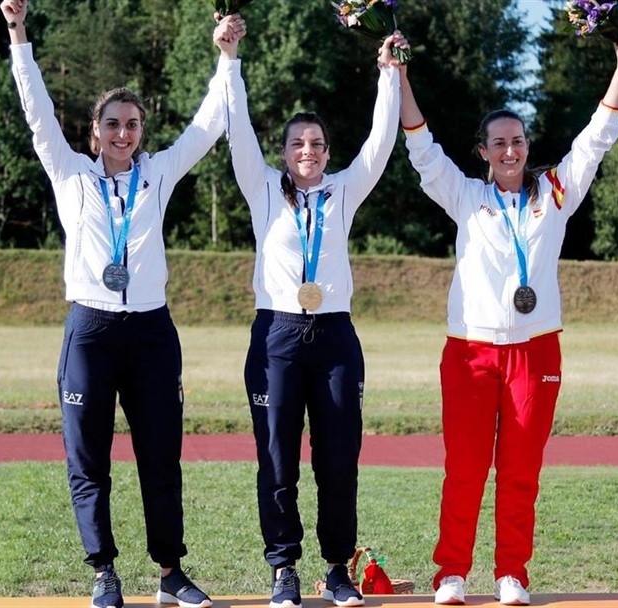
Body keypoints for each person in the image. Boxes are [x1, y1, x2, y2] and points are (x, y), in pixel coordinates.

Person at [0, 2, 245, 607]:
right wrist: (18, 33)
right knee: (89, 461)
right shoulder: (71, 175)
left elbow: (209, 124)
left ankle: (170, 574)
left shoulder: (157, 174)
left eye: (132, 124)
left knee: (161, 459)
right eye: (112, 124)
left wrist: (228, 56)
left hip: (152, 334)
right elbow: (36, 111)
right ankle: (103, 571)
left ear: (140, 132)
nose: (123, 133)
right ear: (95, 132)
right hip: (90, 330)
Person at [398, 37, 618, 606]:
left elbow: (596, 140)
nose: (510, 151)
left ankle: (512, 572)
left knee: (521, 470)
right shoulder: (465, 196)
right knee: (464, 470)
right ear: (482, 151)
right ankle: (452, 572)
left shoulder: (555, 192)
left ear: (528, 147)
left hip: (536, 351)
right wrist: (401, 75)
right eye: (499, 143)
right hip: (470, 352)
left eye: (518, 141)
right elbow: (422, 150)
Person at [220, 14, 410, 608]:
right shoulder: (261, 189)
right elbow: (238, 129)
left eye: (318, 143)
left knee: (337, 460)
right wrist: (230, 60)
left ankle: (336, 569)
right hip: (276, 334)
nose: (309, 151)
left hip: (333, 338)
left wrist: (388, 73)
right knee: (277, 459)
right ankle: (283, 569)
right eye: (298, 143)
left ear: (328, 153)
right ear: (284, 152)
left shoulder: (343, 191)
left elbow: (381, 144)